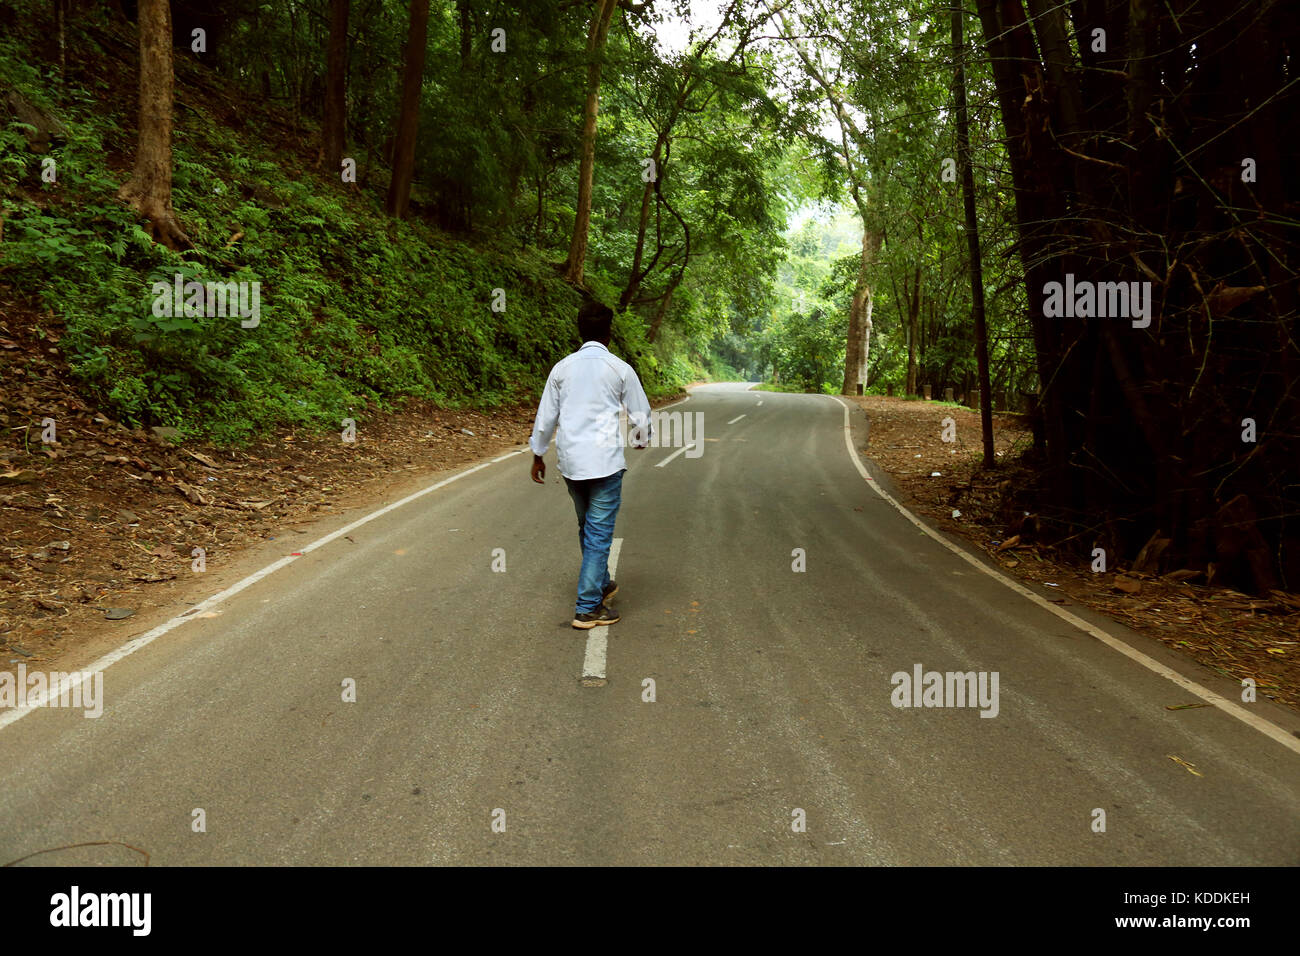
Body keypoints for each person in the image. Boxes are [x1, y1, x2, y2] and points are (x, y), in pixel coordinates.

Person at [529, 301, 653, 629]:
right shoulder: (620, 369)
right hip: (605, 463)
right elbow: (640, 413)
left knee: (589, 528)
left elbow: (546, 418)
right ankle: (587, 608)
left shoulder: (562, 369)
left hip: (571, 463)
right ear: (609, 334)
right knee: (598, 533)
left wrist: (538, 454)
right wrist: (641, 437)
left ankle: (604, 583)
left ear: (579, 331)